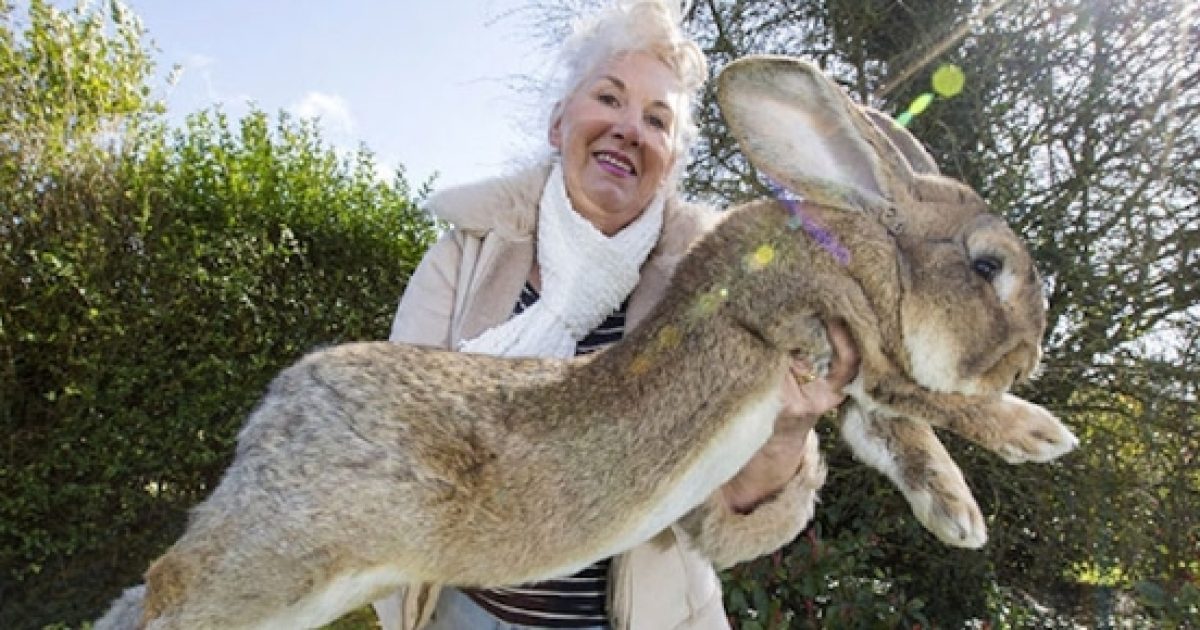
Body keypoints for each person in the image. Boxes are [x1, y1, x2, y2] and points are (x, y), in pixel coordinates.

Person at [373, 1, 859, 628]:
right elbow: (390, 436)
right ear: (558, 124)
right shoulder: (464, 255)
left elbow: (731, 515)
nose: (630, 128)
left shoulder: (714, 291)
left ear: (671, 163)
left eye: (657, 120)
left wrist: (788, 429)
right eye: (609, 98)